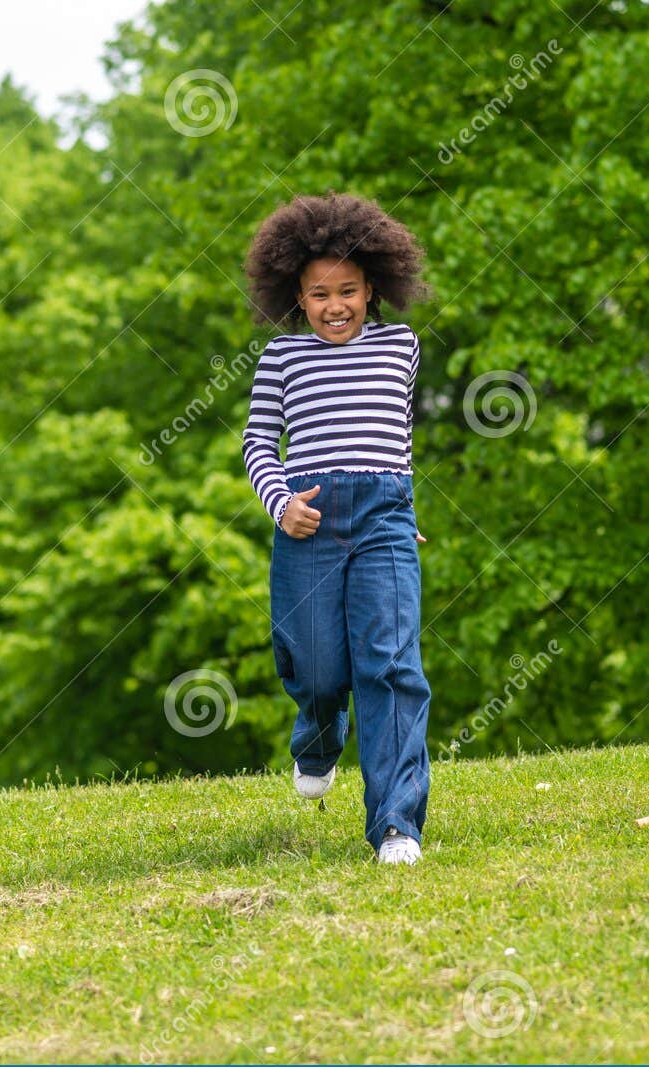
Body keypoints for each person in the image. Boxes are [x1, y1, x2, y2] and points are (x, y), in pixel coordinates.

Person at [241, 191, 434, 865]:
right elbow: (259, 443)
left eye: (348, 290)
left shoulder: (401, 346)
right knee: (320, 668)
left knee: (391, 666)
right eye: (318, 294)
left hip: (384, 520)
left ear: (373, 285)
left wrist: (404, 516)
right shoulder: (282, 360)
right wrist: (280, 504)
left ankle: (396, 824)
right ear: (295, 295)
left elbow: (396, 436)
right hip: (308, 522)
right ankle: (319, 736)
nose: (334, 306)